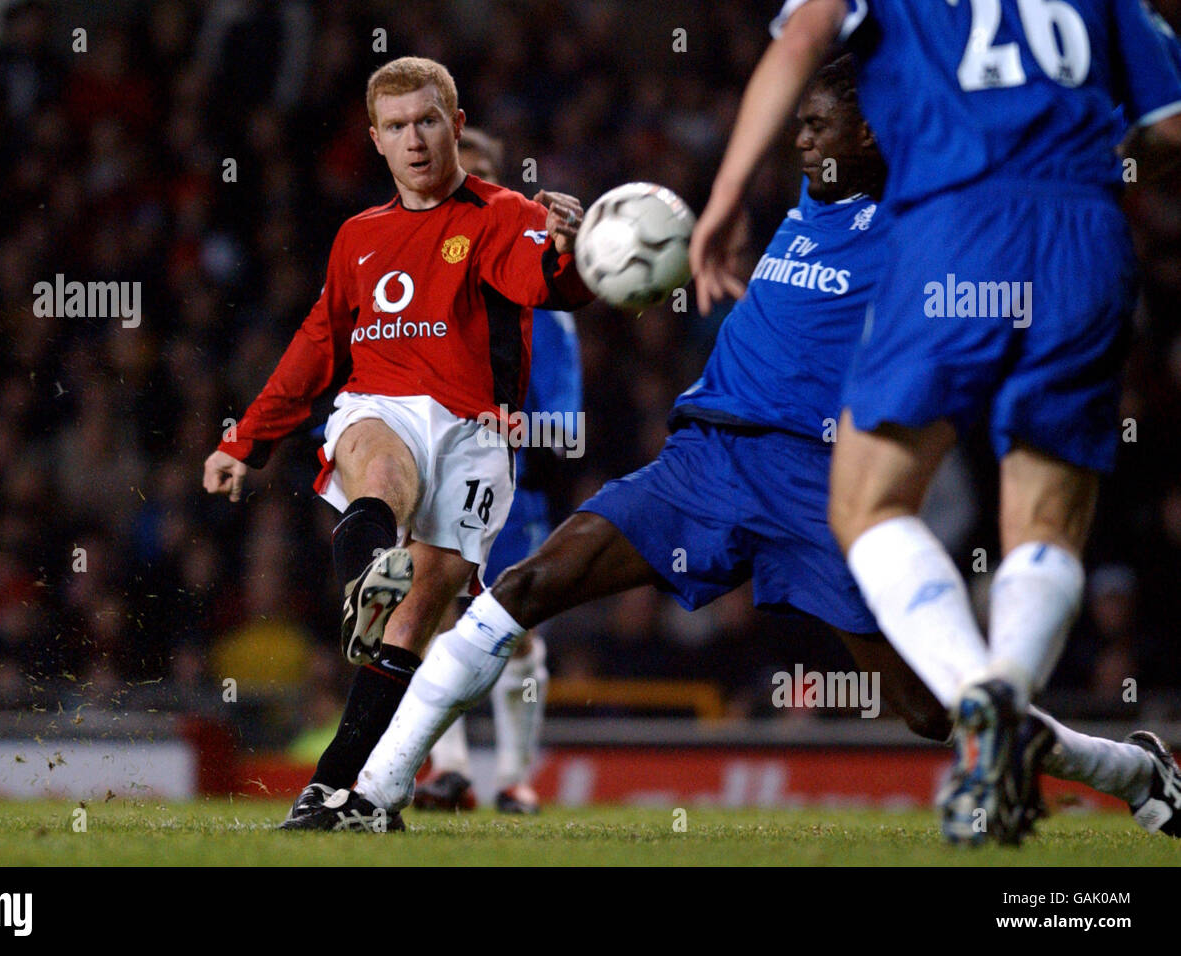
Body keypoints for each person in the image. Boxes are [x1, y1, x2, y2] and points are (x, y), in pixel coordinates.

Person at [288, 57, 1181, 835]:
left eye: (816, 128)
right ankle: (375, 787)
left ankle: (1131, 770)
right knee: (525, 587)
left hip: (821, 485)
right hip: (705, 461)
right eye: (797, 125)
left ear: (872, 136)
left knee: (928, 710)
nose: (799, 142)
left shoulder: (925, 224)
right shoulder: (811, 198)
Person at [689, 0, 1181, 844]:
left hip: (955, 227)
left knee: (869, 503)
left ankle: (981, 703)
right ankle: (1007, 692)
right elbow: (1169, 130)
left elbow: (803, 34)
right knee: (1046, 517)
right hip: (1084, 235)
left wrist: (729, 191)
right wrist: (1105, 170)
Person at [200, 56, 592, 829]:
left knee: (417, 623)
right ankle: (365, 579)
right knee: (379, 466)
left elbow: (550, 287)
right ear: (375, 140)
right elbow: (319, 343)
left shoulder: (502, 213)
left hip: (477, 436)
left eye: (427, 121)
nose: (414, 139)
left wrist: (568, 245)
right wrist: (246, 440)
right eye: (397, 126)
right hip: (381, 404)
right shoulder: (358, 237)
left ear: (455, 123)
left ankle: (342, 789)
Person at [403, 128, 582, 816]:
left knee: (513, 629)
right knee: (430, 615)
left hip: (509, 489)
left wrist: (494, 428)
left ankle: (514, 778)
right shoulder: (418, 286)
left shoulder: (541, 300)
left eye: (479, 180)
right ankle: (448, 771)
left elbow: (564, 424)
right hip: (430, 481)